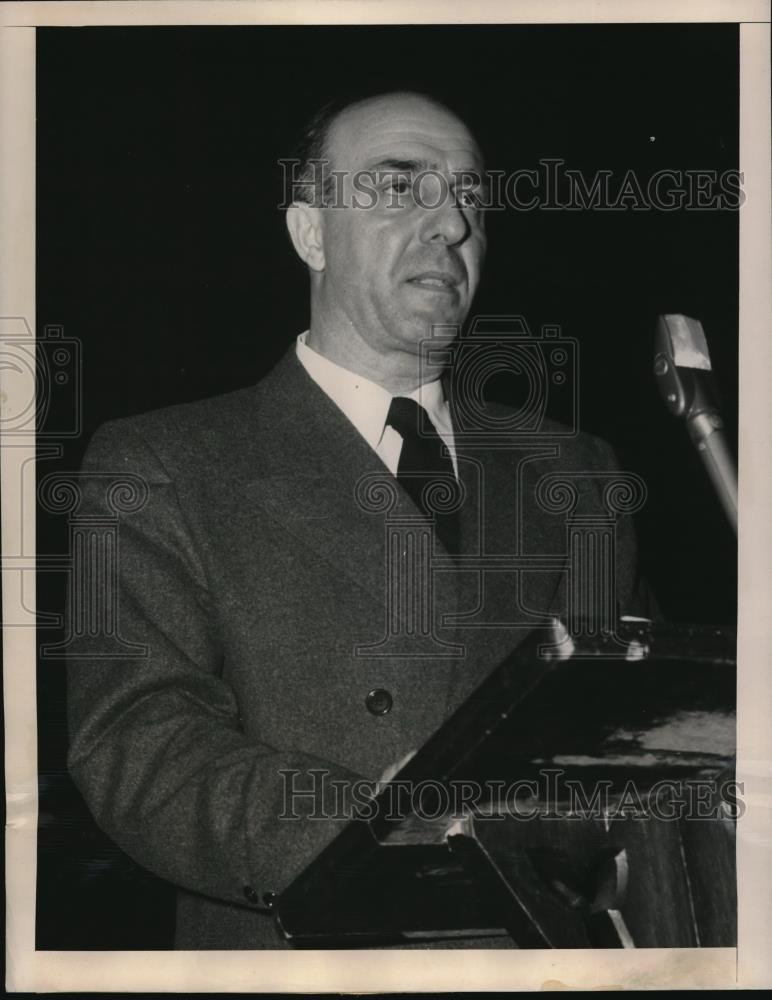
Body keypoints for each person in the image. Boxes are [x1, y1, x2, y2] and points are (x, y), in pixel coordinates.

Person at [66, 91, 653, 949]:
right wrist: (372, 825)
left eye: (468, 197)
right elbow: (137, 744)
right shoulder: (165, 463)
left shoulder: (578, 471)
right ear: (310, 233)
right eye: (399, 186)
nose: (450, 222)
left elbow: (639, 730)